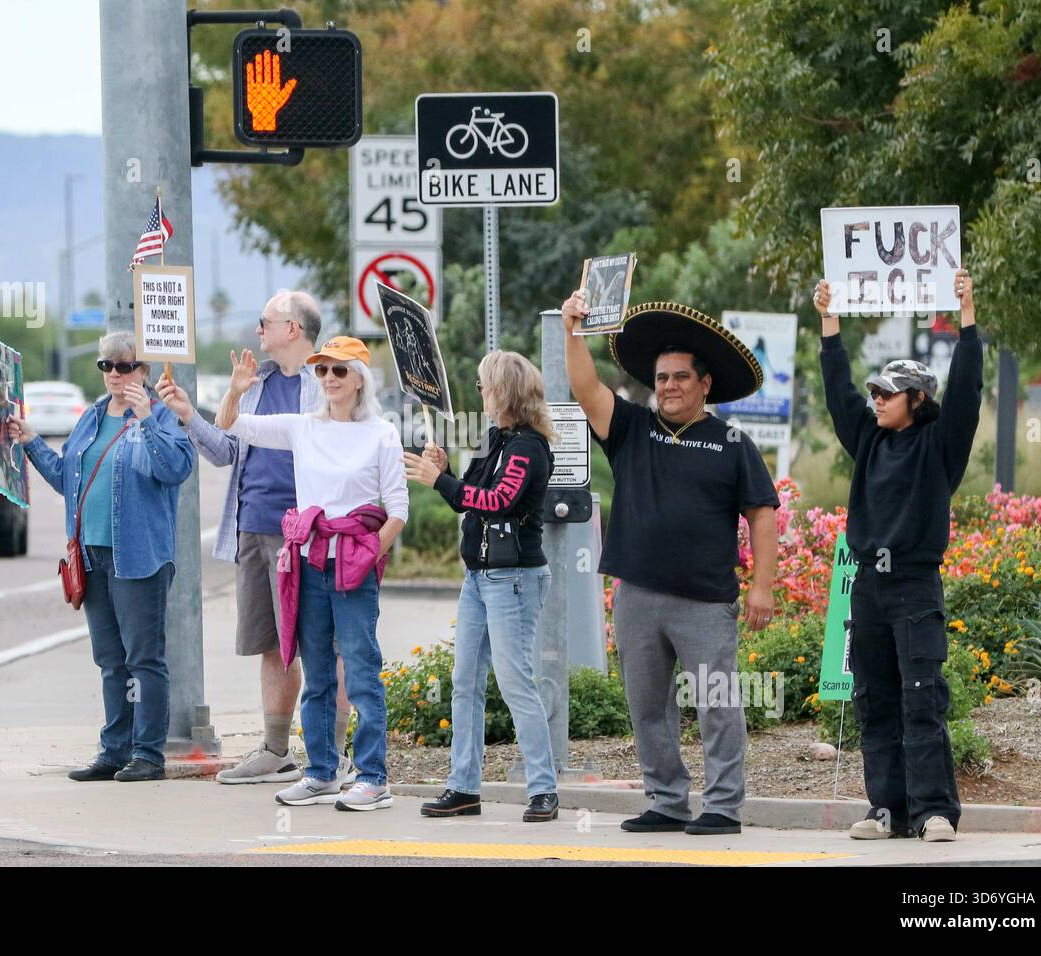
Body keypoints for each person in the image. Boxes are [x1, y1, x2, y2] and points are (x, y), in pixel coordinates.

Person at [559, 293, 780, 836]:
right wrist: (573, 331)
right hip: (637, 596)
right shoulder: (633, 428)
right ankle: (666, 801)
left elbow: (763, 515)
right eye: (661, 378)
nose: (669, 386)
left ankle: (724, 806)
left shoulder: (733, 443)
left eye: (681, 377)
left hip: (706, 601)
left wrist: (762, 587)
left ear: (704, 384)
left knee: (717, 705)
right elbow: (586, 390)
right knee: (647, 707)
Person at [156, 291, 355, 786]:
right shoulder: (256, 382)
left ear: (293, 329)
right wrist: (187, 415)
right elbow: (226, 450)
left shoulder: (327, 380)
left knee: (323, 644)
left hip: (311, 536)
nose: (257, 331)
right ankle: (275, 749)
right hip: (253, 526)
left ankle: (336, 752)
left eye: (265, 321)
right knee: (273, 644)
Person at [814, 269, 981, 843]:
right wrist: (829, 325)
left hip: (914, 588)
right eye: (875, 392)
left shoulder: (940, 445)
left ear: (917, 399)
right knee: (874, 700)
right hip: (868, 588)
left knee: (920, 700)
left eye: (886, 393)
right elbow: (839, 396)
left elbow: (967, 395)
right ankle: (887, 809)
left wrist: (968, 319)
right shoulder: (870, 441)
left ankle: (934, 811)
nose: (875, 400)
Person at [215, 336, 407, 811]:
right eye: (322, 371)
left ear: (360, 377)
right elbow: (231, 425)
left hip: (353, 567)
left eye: (339, 371)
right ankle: (321, 771)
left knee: (361, 670)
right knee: (316, 669)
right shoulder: (303, 427)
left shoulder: (381, 433)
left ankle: (373, 776)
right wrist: (236, 390)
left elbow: (397, 509)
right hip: (309, 562)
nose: (328, 380)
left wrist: (368, 556)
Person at [8, 331, 195, 782]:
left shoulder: (164, 415)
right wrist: (31, 441)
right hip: (91, 555)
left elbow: (175, 469)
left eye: (125, 365)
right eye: (106, 366)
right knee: (110, 660)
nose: (115, 373)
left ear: (144, 371)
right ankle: (113, 750)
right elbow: (67, 478)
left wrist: (147, 418)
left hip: (140, 555)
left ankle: (148, 755)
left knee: (144, 659)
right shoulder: (91, 417)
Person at [403, 351, 561, 823]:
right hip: (479, 578)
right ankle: (464, 786)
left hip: (514, 579)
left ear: (505, 392)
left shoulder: (528, 448)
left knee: (515, 684)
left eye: (484, 386)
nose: (481, 394)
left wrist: (441, 482)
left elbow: (497, 502)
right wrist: (444, 469)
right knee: (464, 681)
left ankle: (543, 789)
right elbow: (465, 494)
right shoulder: (498, 440)